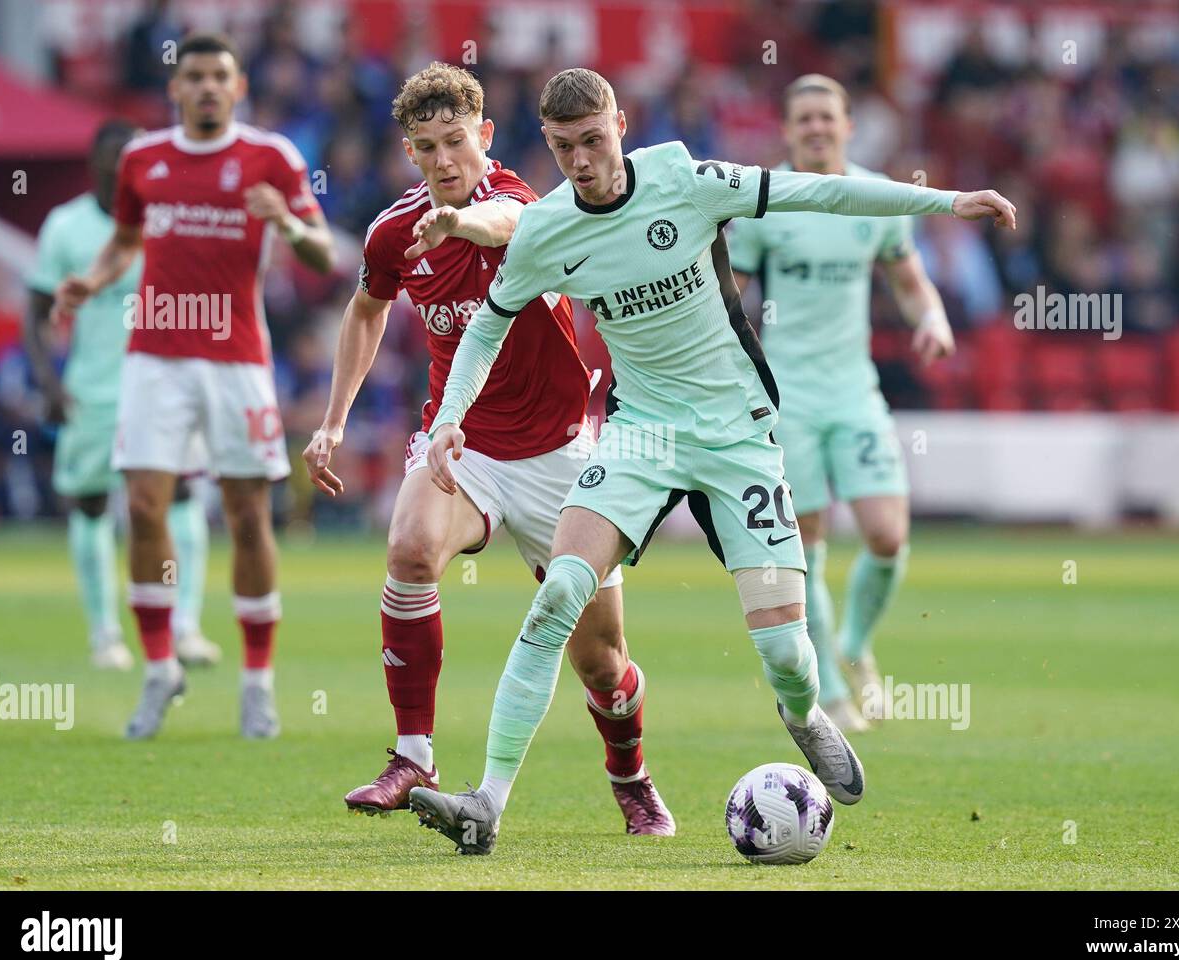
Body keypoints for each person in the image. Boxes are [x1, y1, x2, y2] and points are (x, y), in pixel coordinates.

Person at [408, 68, 1016, 854]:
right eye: (565, 148)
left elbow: (819, 194)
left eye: (594, 139)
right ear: (550, 145)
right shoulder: (546, 229)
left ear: (620, 123)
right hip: (643, 434)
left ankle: (801, 710)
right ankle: (486, 800)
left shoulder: (686, 180)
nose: (584, 160)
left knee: (786, 655)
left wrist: (945, 204)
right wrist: (450, 419)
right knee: (560, 589)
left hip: (736, 432)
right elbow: (487, 327)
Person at [302, 63, 674, 835]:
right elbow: (366, 308)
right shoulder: (392, 231)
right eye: (427, 146)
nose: (444, 160)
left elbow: (506, 226)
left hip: (562, 454)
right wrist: (334, 420)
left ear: (487, 138)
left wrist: (461, 223)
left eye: (457, 142)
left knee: (602, 662)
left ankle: (631, 775)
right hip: (461, 442)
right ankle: (414, 755)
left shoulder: (528, 204)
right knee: (407, 547)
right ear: (408, 150)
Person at [52, 32, 335, 739]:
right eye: (196, 77)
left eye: (220, 77)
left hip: (237, 359)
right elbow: (126, 240)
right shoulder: (143, 159)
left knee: (246, 516)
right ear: (176, 89)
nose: (208, 87)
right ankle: (158, 670)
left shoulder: (273, 157)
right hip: (154, 355)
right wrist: (92, 278)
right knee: (144, 505)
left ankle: (257, 685)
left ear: (238, 89)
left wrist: (291, 225)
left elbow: (324, 249)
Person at [730, 75, 958, 729]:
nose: (816, 127)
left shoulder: (873, 198)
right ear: (787, 128)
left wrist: (933, 318)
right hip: (789, 395)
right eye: (803, 118)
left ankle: (854, 643)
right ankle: (830, 688)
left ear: (848, 126)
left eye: (826, 117)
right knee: (807, 542)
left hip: (855, 390)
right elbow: (731, 292)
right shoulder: (765, 200)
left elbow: (911, 282)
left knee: (888, 535)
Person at [25, 120, 220, 672]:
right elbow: (36, 312)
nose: (122, 170)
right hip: (93, 390)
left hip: (168, 386)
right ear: (95, 166)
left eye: (131, 160)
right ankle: (105, 635)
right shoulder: (65, 226)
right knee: (90, 504)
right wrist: (49, 382)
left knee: (179, 495)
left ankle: (185, 628)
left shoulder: (170, 220)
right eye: (114, 161)